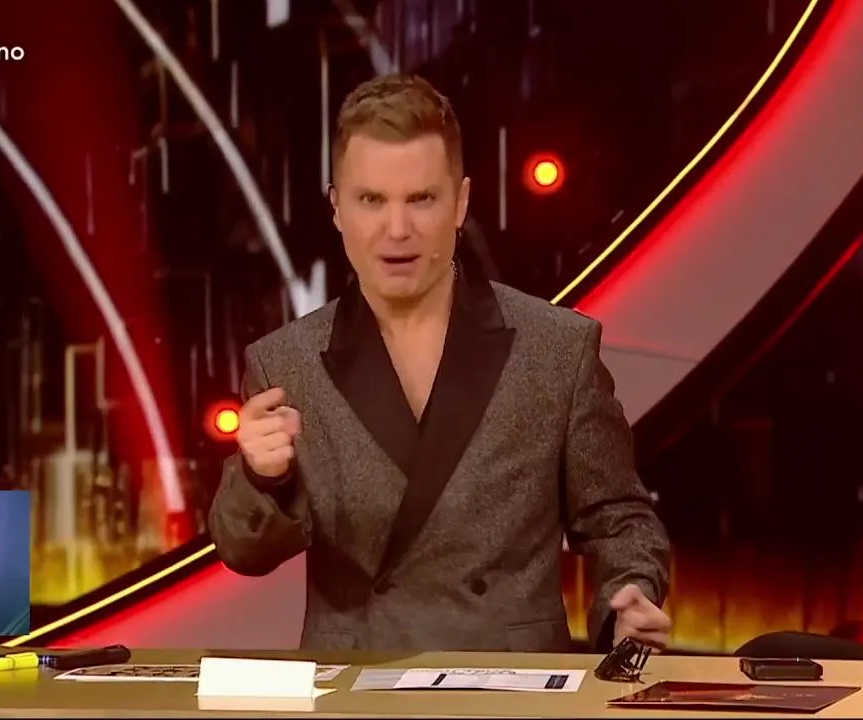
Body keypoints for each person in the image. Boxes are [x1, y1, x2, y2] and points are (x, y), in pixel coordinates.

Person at [208, 73, 671, 652]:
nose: (397, 230)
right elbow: (243, 553)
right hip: (353, 685)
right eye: (371, 200)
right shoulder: (285, 362)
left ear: (461, 202)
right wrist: (260, 477)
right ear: (336, 208)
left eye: (421, 199)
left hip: (512, 685)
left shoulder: (557, 348)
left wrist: (631, 592)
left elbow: (618, 517)